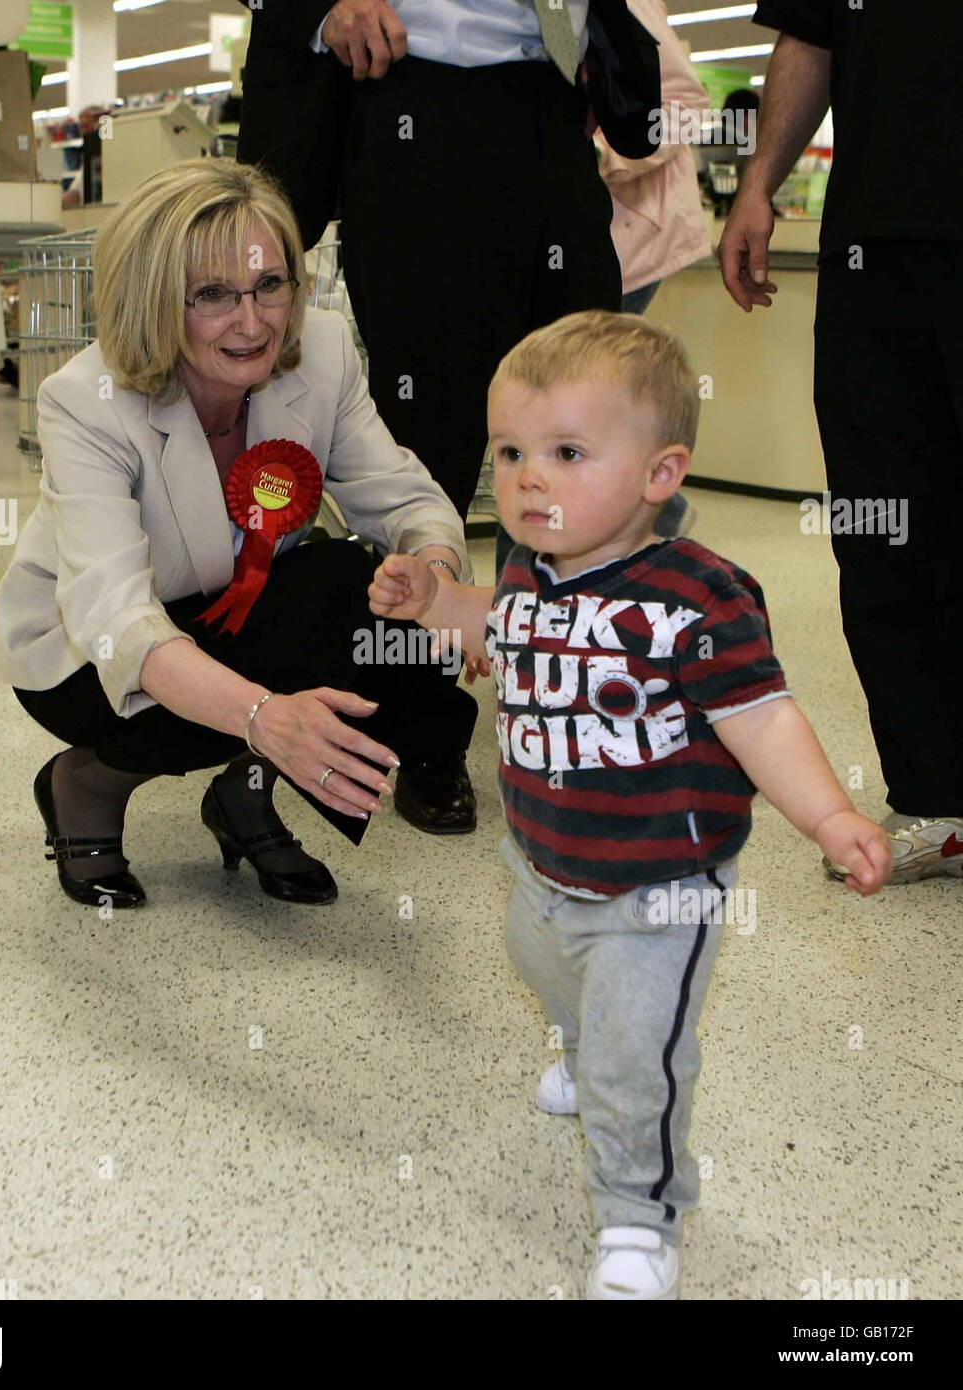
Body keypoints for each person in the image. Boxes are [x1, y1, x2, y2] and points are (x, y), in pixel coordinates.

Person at [368, 309, 891, 1298]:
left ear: (659, 473)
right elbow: (498, 618)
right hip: (543, 857)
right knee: (540, 963)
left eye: (566, 452)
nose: (528, 477)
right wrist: (436, 606)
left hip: (659, 885)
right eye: (511, 450)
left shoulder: (698, 596)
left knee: (635, 1064)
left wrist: (829, 816)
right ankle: (581, 1034)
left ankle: (638, 1222)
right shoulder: (530, 565)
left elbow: (762, 718)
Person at [0, 158, 478, 913]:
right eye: (213, 294)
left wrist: (438, 580)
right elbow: (119, 622)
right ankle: (90, 780)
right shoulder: (85, 401)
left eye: (270, 285)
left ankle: (244, 793)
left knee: (364, 596)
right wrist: (263, 717)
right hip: (83, 656)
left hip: (231, 612)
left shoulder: (321, 349)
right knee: (233, 681)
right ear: (155, 299)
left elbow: (403, 497)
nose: (252, 323)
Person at [236, 0, 661, 557]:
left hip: (556, 109)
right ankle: (421, 634)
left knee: (579, 422)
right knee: (429, 443)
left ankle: (549, 637)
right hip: (413, 101)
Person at [717, 3, 963, 883]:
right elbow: (809, 33)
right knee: (881, 527)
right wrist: (757, 185)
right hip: (874, 246)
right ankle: (938, 800)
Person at [591, 0, 711, 539]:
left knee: (566, 398)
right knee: (576, 400)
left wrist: (601, 156)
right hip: (571, 234)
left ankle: (659, 509)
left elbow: (686, 103)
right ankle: (661, 509)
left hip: (631, 237)